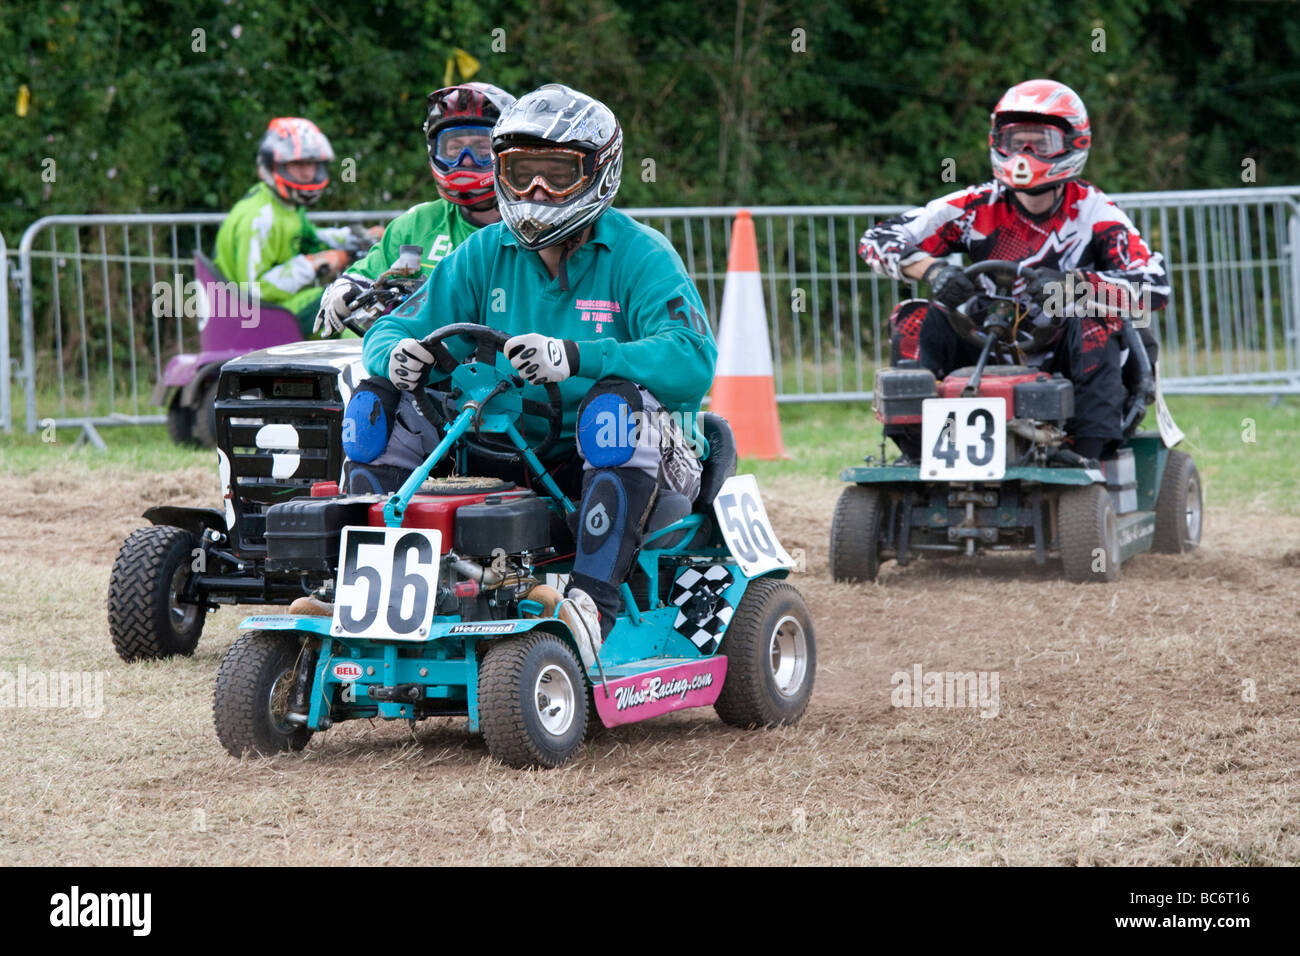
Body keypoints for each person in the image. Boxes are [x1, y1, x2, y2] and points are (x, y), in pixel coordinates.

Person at [358, 84, 717, 664]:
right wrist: (394, 357)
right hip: (511, 445)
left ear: (598, 172)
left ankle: (591, 606)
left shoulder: (641, 255)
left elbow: (692, 361)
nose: (536, 191)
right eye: (521, 172)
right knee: (375, 408)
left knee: (616, 411)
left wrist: (578, 357)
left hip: (630, 455)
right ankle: (366, 587)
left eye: (555, 172)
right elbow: (391, 328)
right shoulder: (482, 253)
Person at [858, 79, 1170, 462]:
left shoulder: (1093, 212)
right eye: (1015, 141)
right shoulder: (975, 206)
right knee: (915, 317)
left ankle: (1086, 456)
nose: (1025, 154)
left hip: (1064, 357)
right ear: (996, 143)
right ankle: (920, 447)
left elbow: (1154, 287)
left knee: (1093, 320)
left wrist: (1074, 288)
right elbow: (876, 239)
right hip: (987, 344)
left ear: (1074, 143)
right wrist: (933, 270)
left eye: (1041, 143)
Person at [313, 82, 518, 337]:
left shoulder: (530, 228)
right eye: (454, 149)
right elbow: (366, 274)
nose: (466, 160)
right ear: (434, 150)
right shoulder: (416, 223)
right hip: (417, 365)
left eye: (481, 149)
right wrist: (346, 285)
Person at [214, 117, 376, 337]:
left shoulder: (285, 206)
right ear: (274, 165)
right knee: (344, 304)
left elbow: (309, 238)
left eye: (311, 164)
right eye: (298, 164)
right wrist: (313, 264)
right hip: (256, 316)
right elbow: (255, 289)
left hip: (277, 307)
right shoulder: (258, 217)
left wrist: (358, 237)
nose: (308, 172)